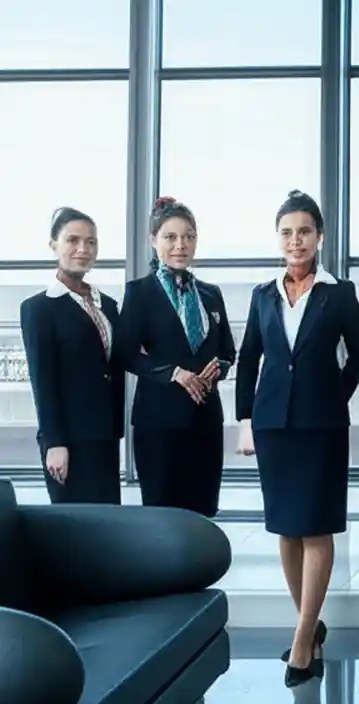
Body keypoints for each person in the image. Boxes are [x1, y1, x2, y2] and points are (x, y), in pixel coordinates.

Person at [234, 190, 359, 687]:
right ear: (279, 238)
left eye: (305, 232)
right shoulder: (263, 293)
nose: (296, 240)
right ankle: (309, 626)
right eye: (287, 232)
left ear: (320, 237)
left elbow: (358, 354)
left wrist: (334, 396)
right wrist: (244, 418)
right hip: (273, 425)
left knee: (317, 528)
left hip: (322, 426)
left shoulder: (340, 292)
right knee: (286, 530)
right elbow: (250, 358)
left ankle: (301, 637)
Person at [117, 197, 236, 517]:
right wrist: (174, 373)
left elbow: (228, 350)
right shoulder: (139, 292)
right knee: (162, 517)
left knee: (203, 513)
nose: (180, 245)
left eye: (189, 236)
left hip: (205, 421)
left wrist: (219, 368)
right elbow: (125, 355)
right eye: (170, 237)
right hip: (158, 422)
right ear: (153, 241)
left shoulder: (211, 294)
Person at [20, 207, 124, 504]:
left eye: (91, 242)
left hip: (104, 435)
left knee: (106, 526)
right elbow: (43, 380)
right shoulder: (40, 308)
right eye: (73, 240)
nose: (83, 248)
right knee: (75, 533)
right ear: (54, 245)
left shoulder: (108, 306)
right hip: (69, 440)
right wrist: (55, 443)